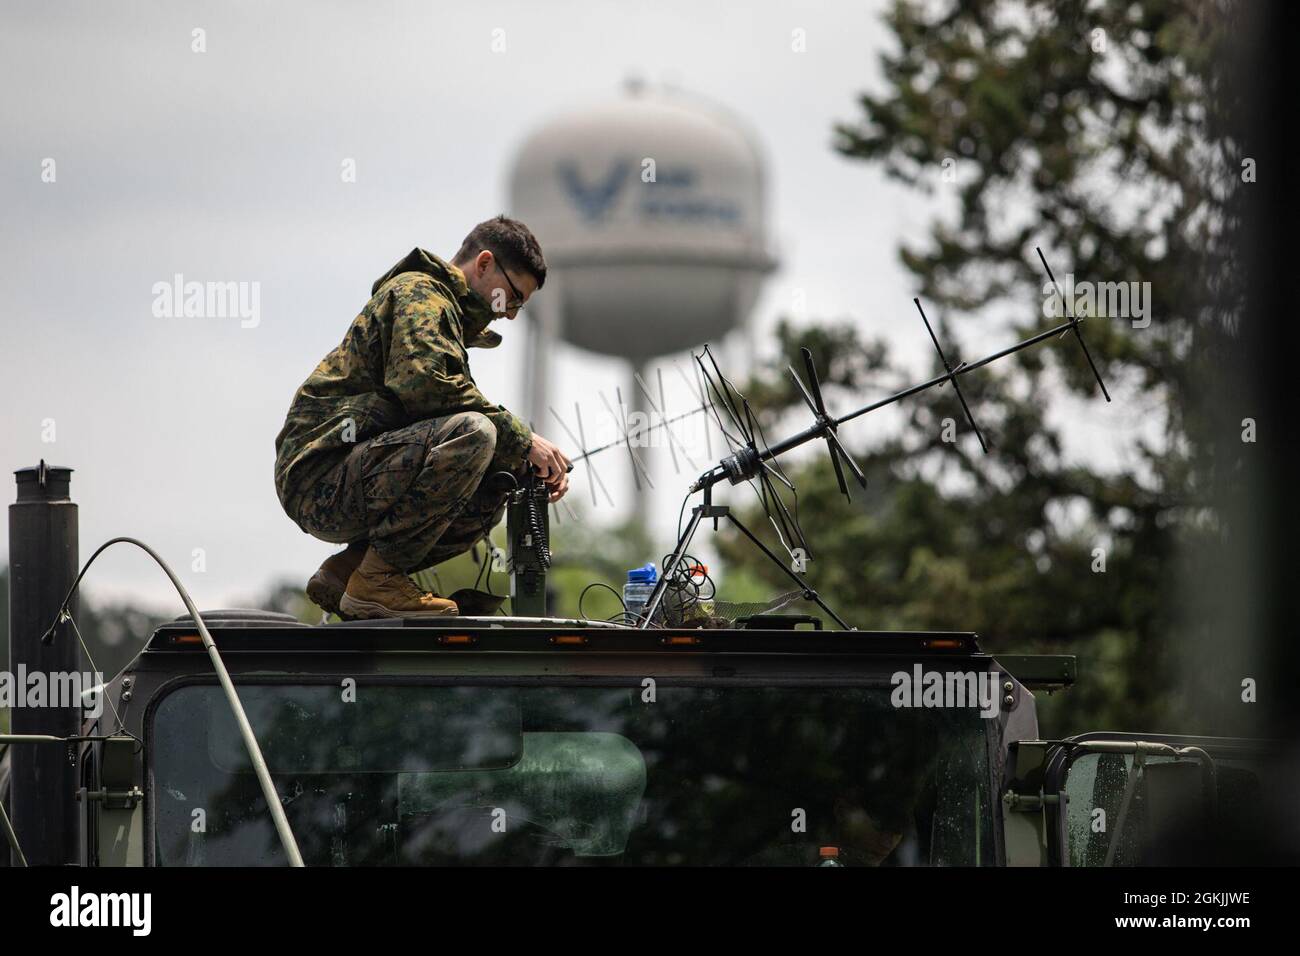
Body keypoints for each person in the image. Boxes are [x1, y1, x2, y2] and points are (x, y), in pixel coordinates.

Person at [273, 215, 571, 619]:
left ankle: (351, 572)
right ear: (484, 264)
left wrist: (521, 459)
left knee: (498, 478)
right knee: (476, 435)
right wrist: (524, 440)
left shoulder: (443, 313)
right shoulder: (420, 294)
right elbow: (427, 386)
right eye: (513, 297)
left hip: (353, 470)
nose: (511, 313)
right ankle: (377, 581)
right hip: (320, 473)